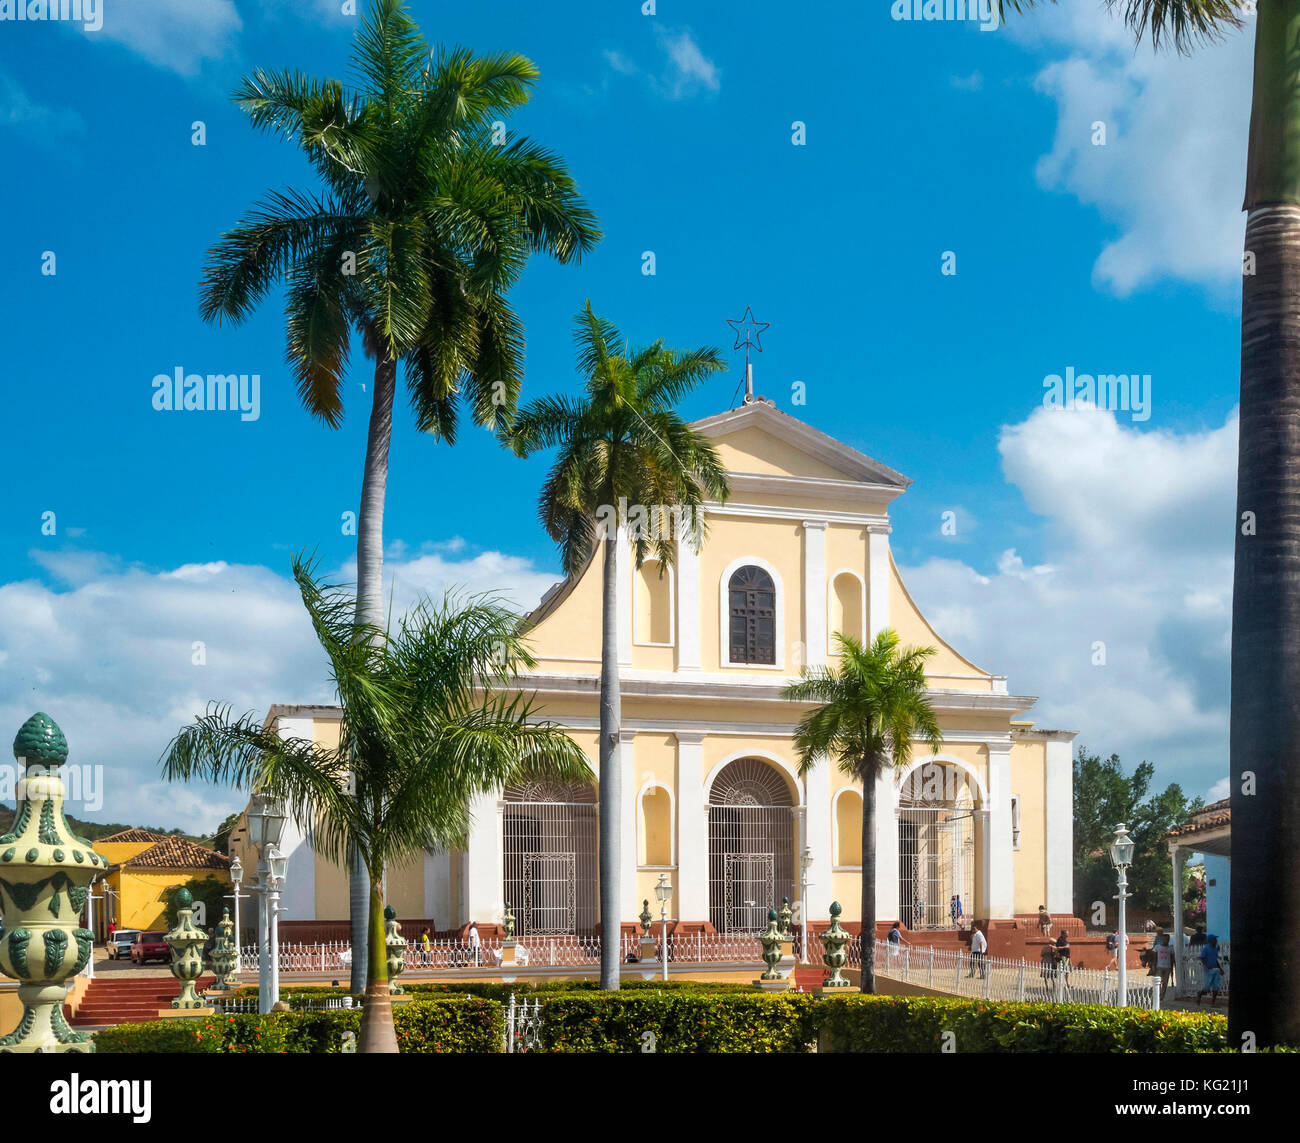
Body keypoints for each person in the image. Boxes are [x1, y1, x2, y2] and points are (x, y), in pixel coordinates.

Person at [1196, 935, 1223, 1007]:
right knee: (1207, 988)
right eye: (1214, 939)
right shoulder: (1206, 948)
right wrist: (1207, 965)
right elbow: (1202, 958)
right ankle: (1200, 994)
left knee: (1216, 987)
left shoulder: (1216, 948)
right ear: (1210, 940)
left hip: (1216, 969)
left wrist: (1220, 969)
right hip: (1208, 970)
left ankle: (1213, 1003)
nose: (1216, 940)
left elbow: (1215, 960)